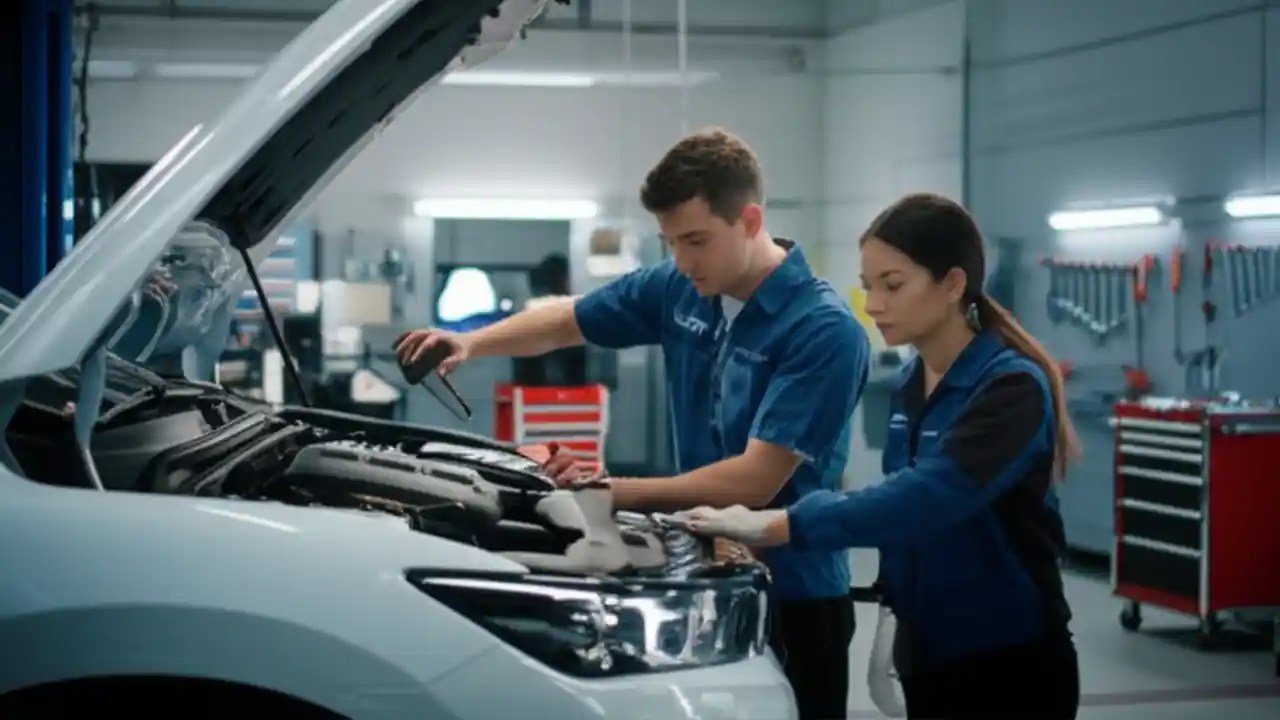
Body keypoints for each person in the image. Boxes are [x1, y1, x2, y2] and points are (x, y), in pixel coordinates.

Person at [395, 127, 871, 720]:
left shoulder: (823, 330)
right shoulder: (680, 288)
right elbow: (571, 320)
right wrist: (469, 342)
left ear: (750, 221)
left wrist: (609, 493)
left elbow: (754, 481)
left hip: (796, 594)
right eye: (670, 241)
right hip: (703, 573)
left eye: (696, 240)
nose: (682, 260)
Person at [675, 192, 1082, 720]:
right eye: (869, 287)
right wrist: (896, 609)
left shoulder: (1010, 389)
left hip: (1008, 662)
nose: (872, 305)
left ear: (953, 284)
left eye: (893, 286)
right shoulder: (913, 381)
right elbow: (905, 517)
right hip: (931, 650)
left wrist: (778, 524)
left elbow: (924, 498)